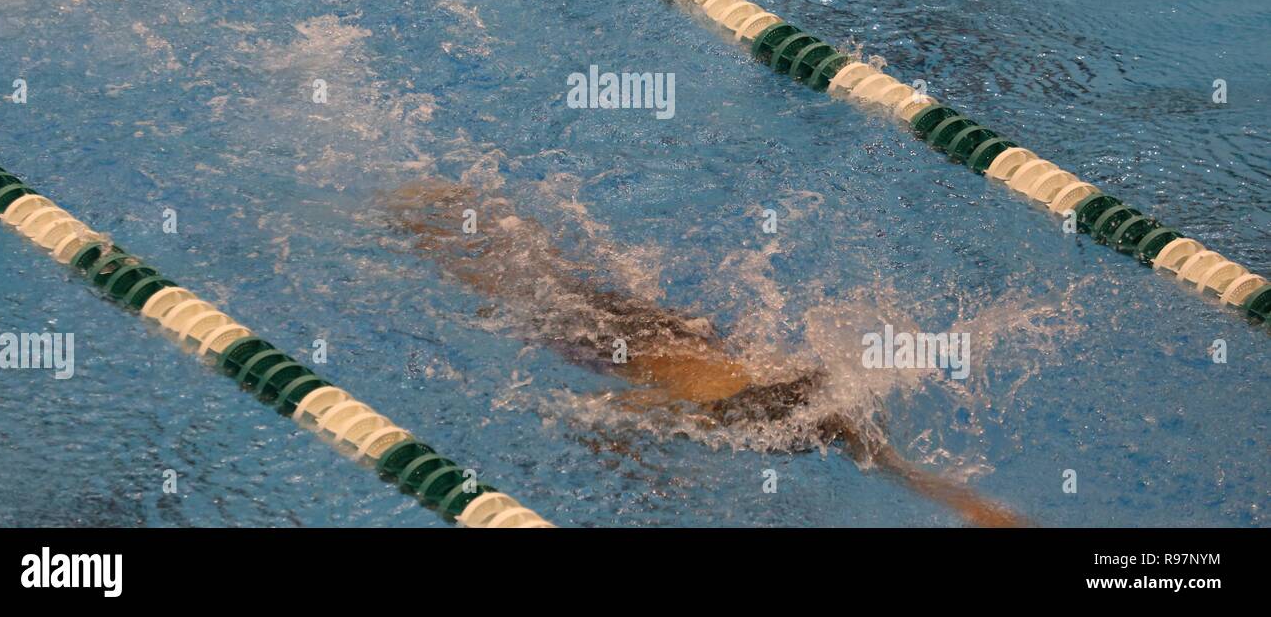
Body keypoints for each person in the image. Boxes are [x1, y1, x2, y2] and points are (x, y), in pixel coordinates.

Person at [383, 178, 1027, 527]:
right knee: (539, 286)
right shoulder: (802, 414)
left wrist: (623, 453)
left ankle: (436, 217)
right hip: (640, 344)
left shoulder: (773, 412)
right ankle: (435, 216)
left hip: (659, 342)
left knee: (544, 284)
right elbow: (609, 419)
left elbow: (615, 418)